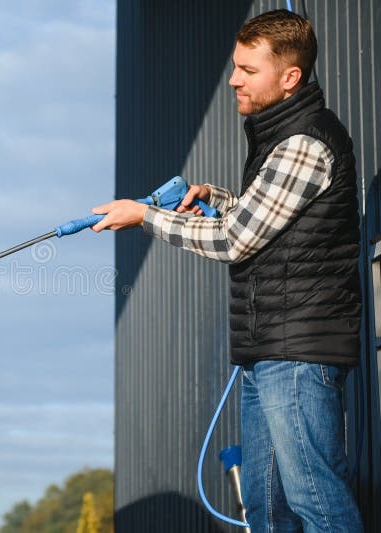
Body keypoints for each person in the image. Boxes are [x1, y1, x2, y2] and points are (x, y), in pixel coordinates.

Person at [91, 9, 363, 533]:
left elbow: (235, 240)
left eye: (248, 70)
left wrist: (145, 215)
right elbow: (270, 222)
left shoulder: (305, 143)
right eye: (234, 66)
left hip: (298, 354)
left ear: (290, 78)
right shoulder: (277, 138)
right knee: (265, 509)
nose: (234, 78)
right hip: (268, 352)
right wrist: (217, 197)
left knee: (318, 505)